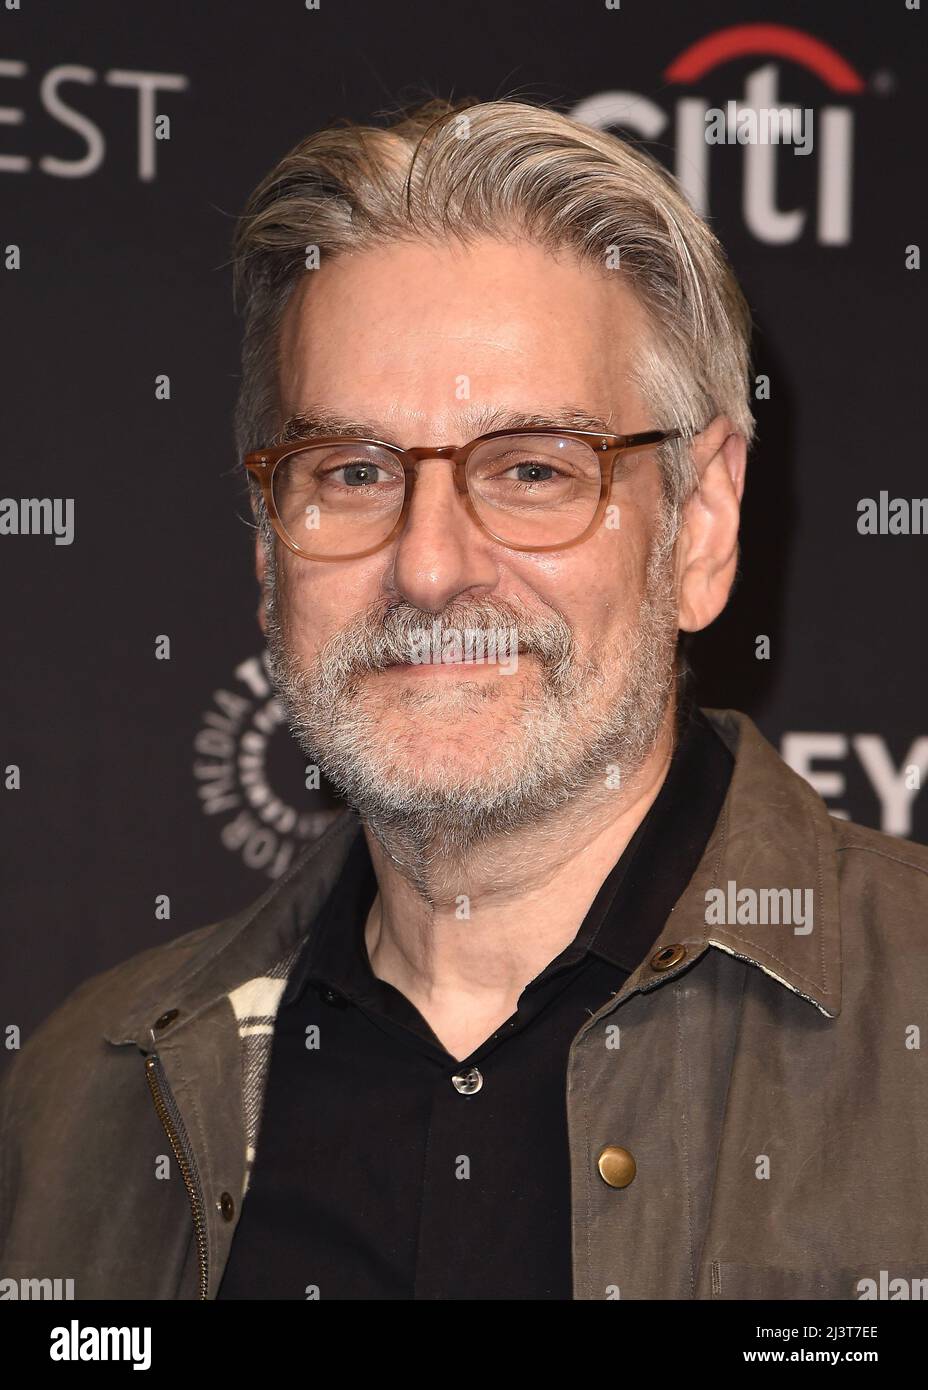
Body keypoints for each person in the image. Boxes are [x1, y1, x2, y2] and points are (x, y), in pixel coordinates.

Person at [2, 97, 926, 1302]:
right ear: (270, 547)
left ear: (700, 526)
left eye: (533, 469)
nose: (430, 566)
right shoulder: (80, 1100)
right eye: (352, 470)